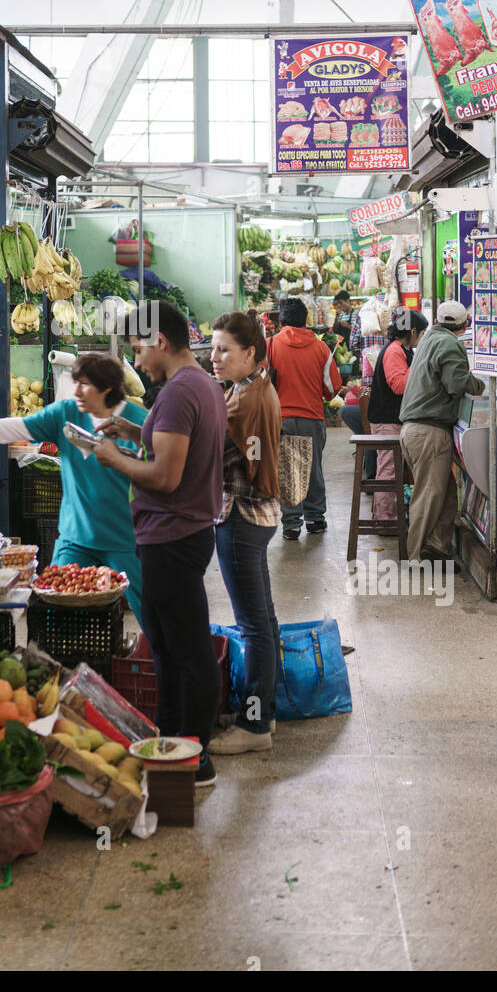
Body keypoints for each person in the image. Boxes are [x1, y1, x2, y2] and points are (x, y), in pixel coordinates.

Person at [94, 300, 227, 788]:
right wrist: (133, 430)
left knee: (187, 649)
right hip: (186, 531)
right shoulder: (201, 386)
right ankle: (172, 740)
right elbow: (175, 445)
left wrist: (114, 458)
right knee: (168, 647)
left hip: (172, 534)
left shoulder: (175, 394)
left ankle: (196, 756)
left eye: (138, 349)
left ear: (161, 342)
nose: (137, 361)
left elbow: (166, 477)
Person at [0, 354, 147, 623]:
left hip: (126, 538)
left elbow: (163, 470)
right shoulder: (65, 413)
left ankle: (158, 660)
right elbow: (24, 427)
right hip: (76, 536)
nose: (77, 391)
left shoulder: (140, 421)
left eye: (85, 385)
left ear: (106, 388)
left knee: (148, 610)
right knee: (53, 603)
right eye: (75, 383)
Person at [207, 312, 281, 755]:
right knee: (263, 622)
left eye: (223, 350)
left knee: (253, 626)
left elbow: (208, 455)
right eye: (213, 349)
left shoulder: (245, 402)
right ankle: (265, 711)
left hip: (241, 518)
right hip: (257, 516)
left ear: (249, 353)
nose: (214, 358)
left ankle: (255, 727)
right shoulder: (252, 387)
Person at [399, 301, 484, 564]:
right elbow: (456, 383)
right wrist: (480, 384)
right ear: (464, 324)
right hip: (429, 432)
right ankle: (414, 557)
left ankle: (435, 548)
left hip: (414, 430)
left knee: (446, 493)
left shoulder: (430, 339)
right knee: (428, 496)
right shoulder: (450, 344)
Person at [267, 297, 342, 540]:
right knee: (313, 469)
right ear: (305, 320)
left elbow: (258, 383)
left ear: (281, 321)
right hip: (312, 416)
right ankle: (315, 519)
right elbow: (332, 389)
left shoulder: (269, 346)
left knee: (288, 470)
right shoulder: (321, 348)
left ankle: (291, 524)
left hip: (281, 419)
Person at [367, 309, 428, 522]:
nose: (423, 338)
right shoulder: (394, 351)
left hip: (391, 418)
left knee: (391, 467)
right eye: (422, 333)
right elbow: (400, 385)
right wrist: (419, 361)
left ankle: (388, 516)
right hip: (387, 419)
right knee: (388, 469)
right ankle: (385, 519)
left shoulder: (400, 349)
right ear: (412, 331)